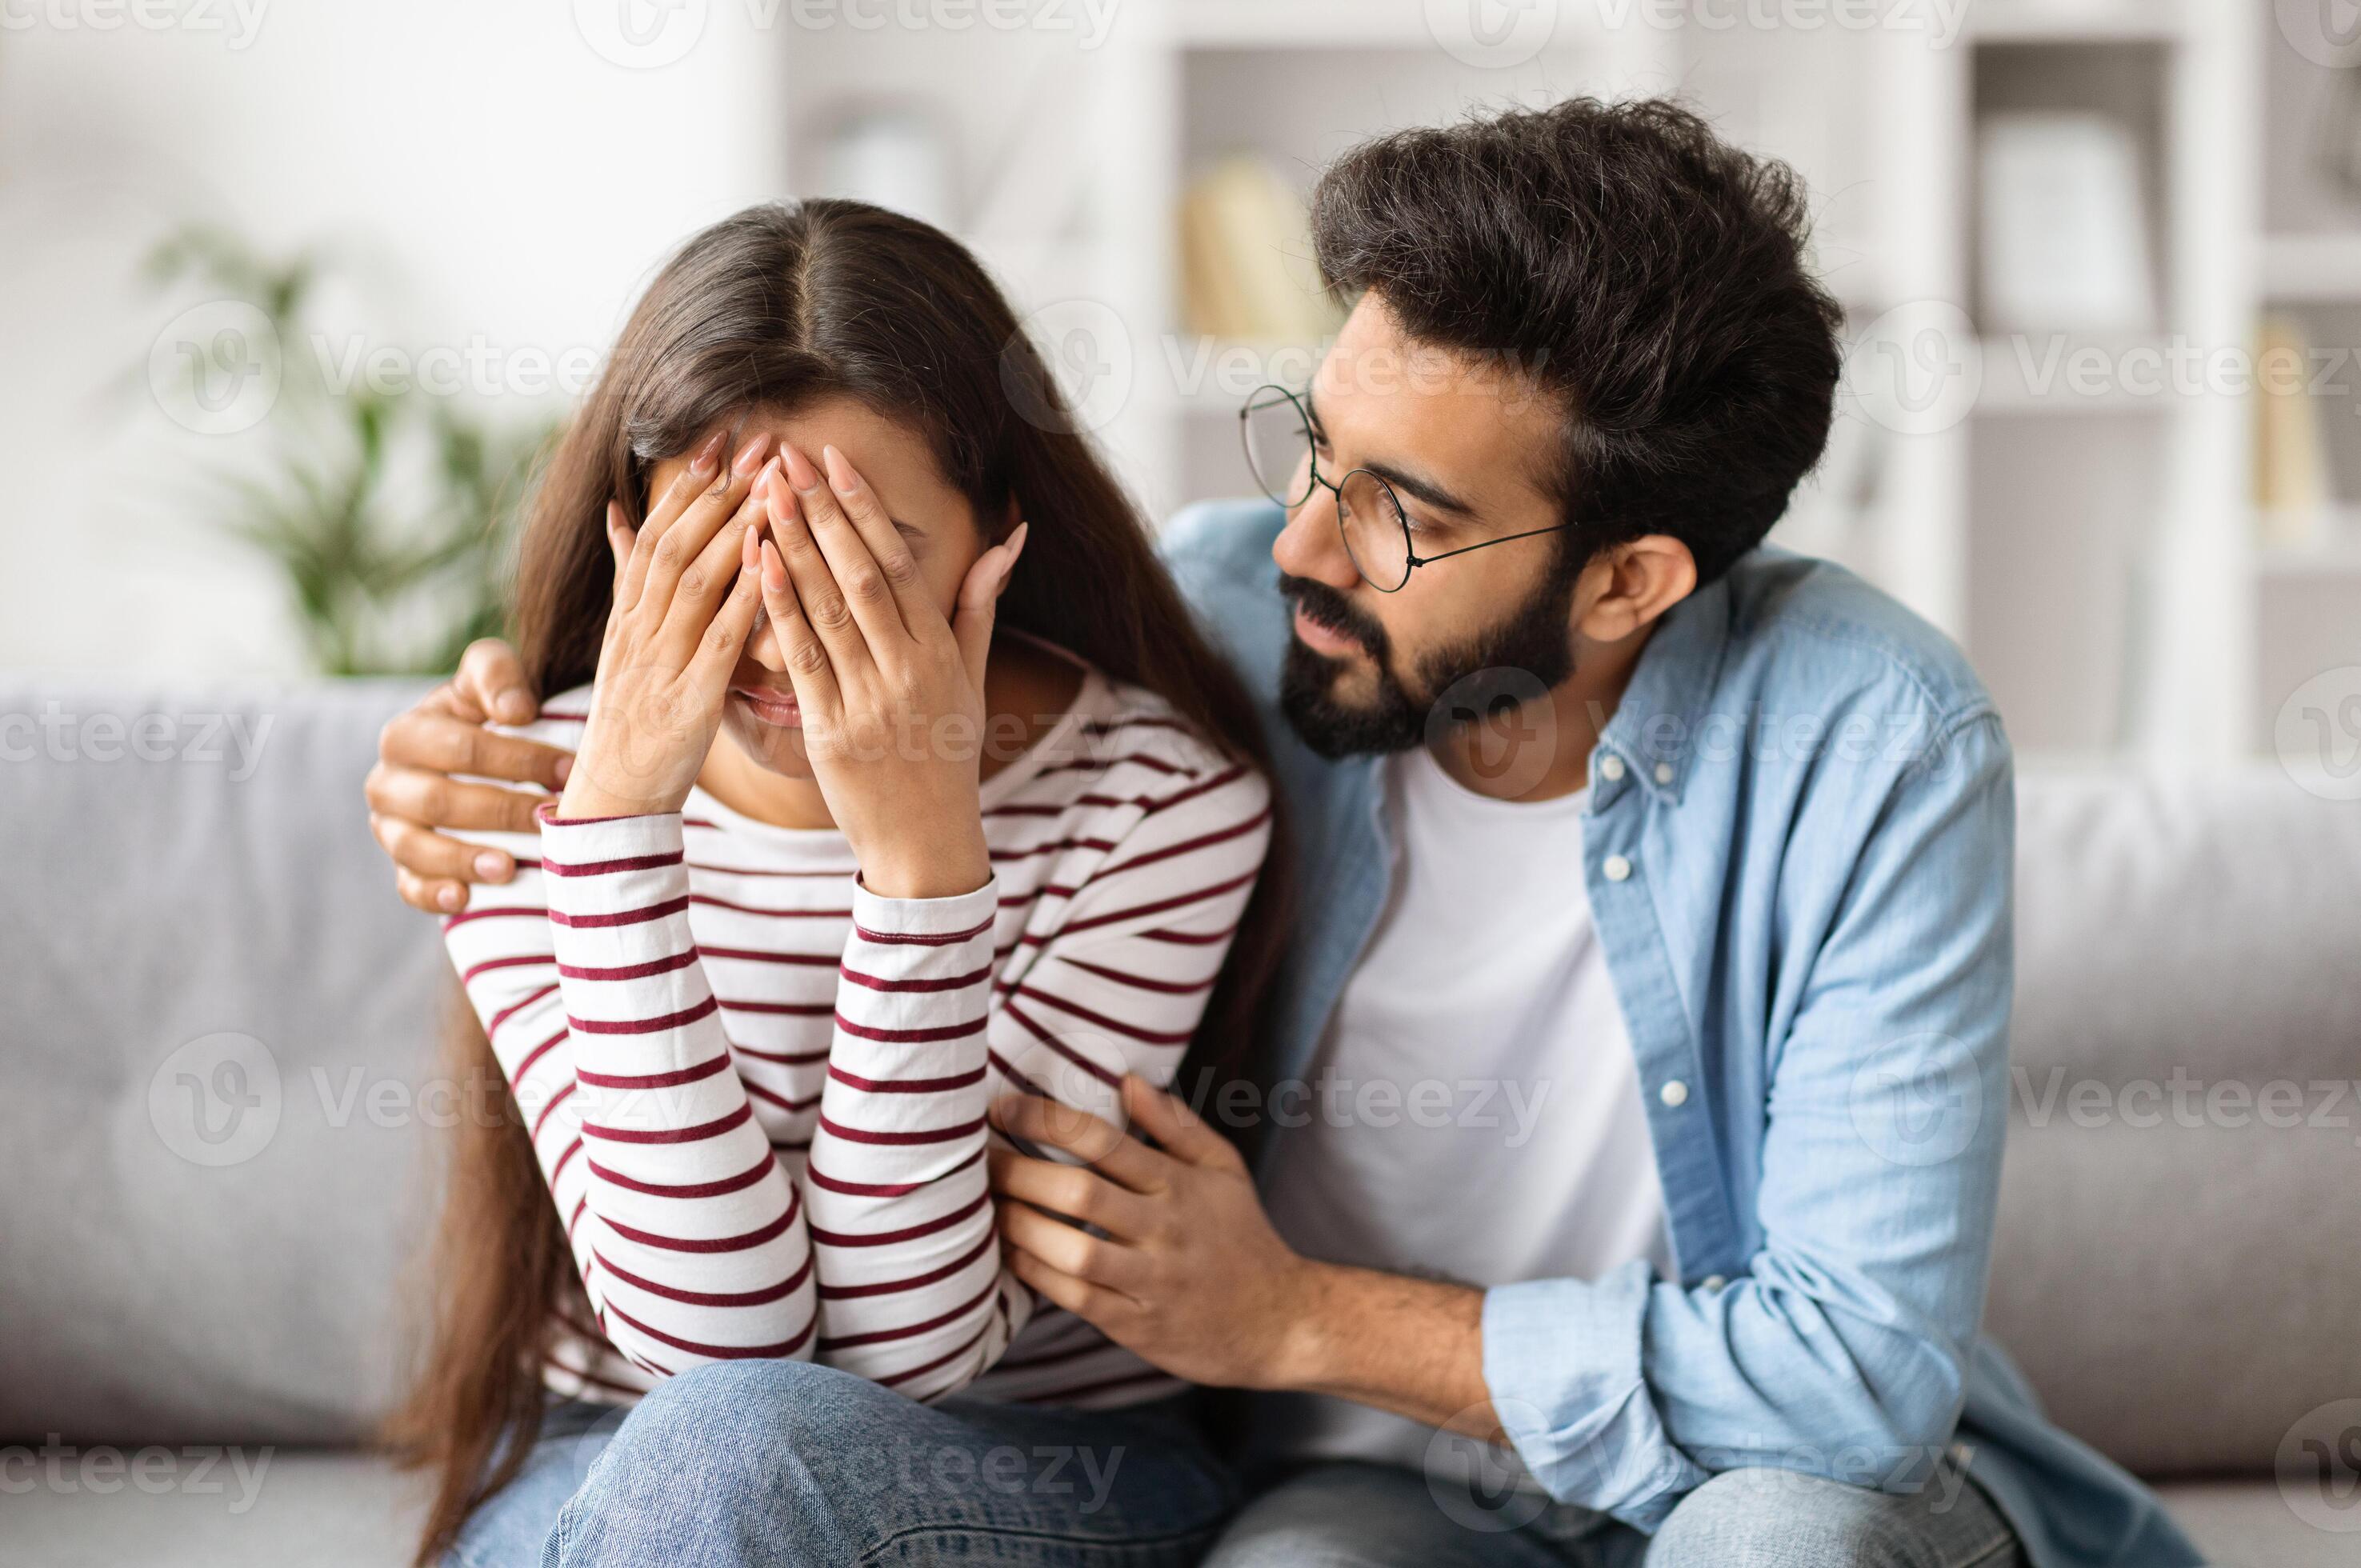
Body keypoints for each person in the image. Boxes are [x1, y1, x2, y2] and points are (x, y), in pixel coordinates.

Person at [367, 100, 2203, 1567]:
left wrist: (1304, 1317)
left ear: (1629, 578)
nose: (1304, 541)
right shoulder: (1232, 618)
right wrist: (503, 768)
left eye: (1403, 514)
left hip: (1751, 1471)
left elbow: (1856, 1381)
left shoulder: (1877, 743)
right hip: (1369, 1484)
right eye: (1311, 446)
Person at [374, 198, 1283, 1567]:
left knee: (734, 1453)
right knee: (714, 1452)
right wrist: (617, 825)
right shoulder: (514, 786)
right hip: (618, 1448)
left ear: (999, 535)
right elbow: (711, 1352)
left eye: (857, 553)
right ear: (630, 539)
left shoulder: (1158, 801)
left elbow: (911, 1353)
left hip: (1037, 1454)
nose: (780, 633)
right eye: (720, 553)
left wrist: (922, 863)